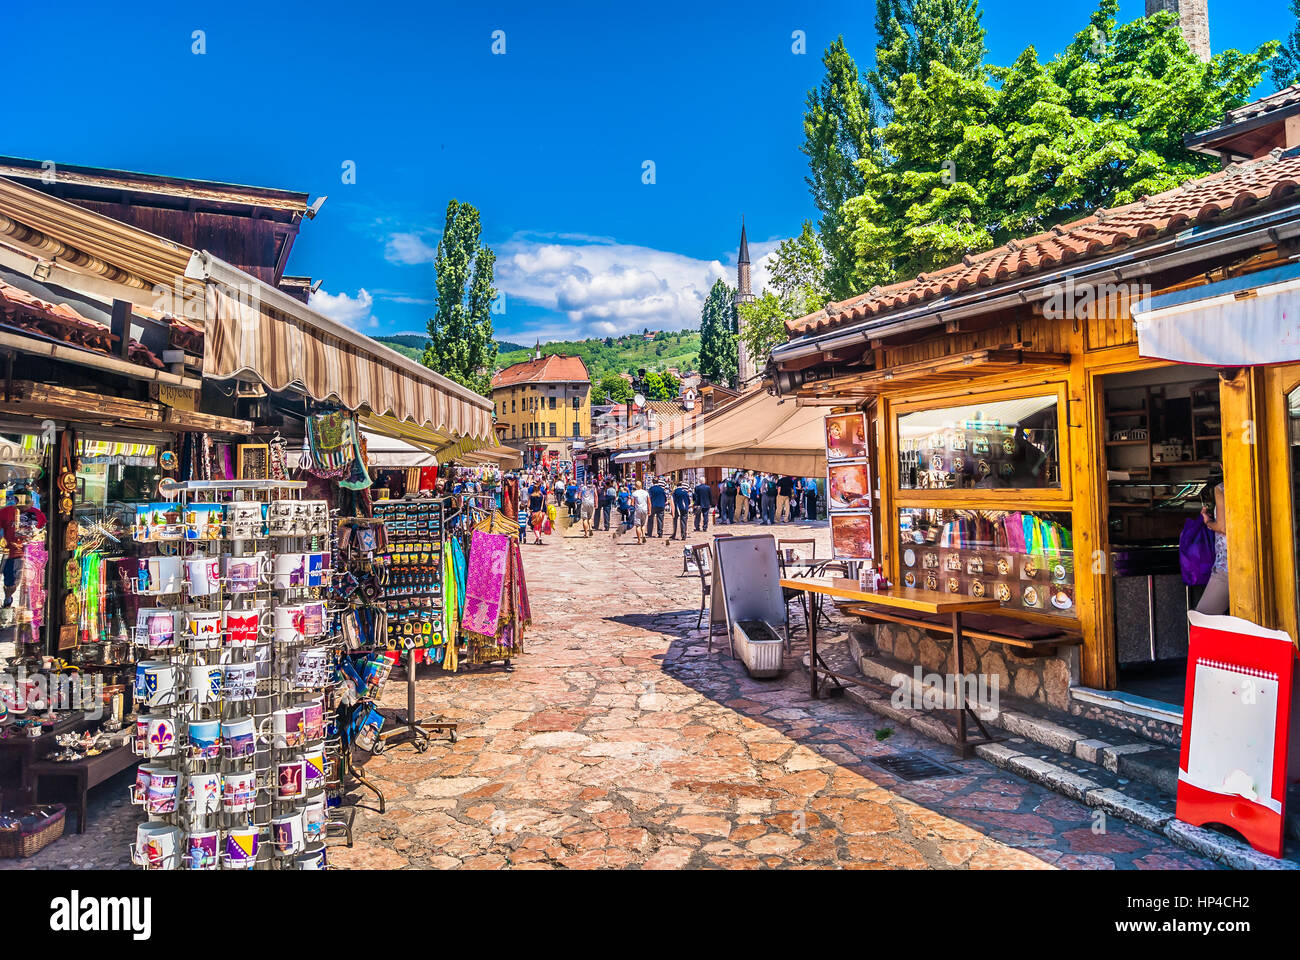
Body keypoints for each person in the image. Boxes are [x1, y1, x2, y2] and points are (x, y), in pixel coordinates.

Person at [0, 492, 44, 608]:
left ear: (32, 502)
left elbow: (43, 532)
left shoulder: (36, 513)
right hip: (11, 555)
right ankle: (8, 603)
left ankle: (23, 608)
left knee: (30, 585)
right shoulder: (6, 512)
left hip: (31, 556)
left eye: (27, 502)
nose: (24, 505)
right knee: (10, 584)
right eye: (20, 501)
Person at [1196, 479, 1228, 615]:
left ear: (1222, 465)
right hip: (1257, 562)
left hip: (1227, 566)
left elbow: (1222, 527)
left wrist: (1208, 521)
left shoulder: (1221, 488)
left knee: (1203, 619)